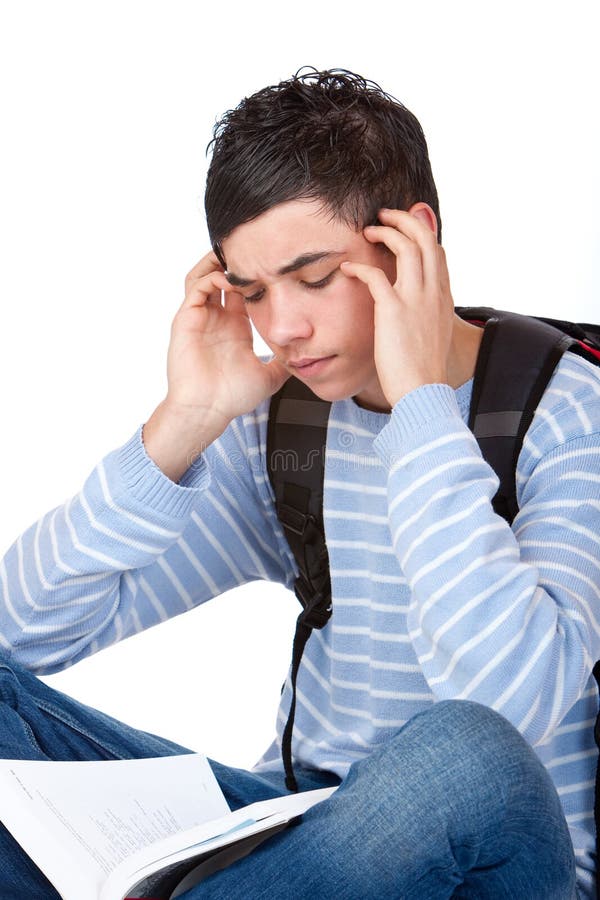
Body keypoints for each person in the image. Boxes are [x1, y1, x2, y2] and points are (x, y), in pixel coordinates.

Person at [0, 67, 597, 898]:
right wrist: (186, 419)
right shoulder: (290, 421)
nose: (282, 328)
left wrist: (423, 409)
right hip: (310, 843)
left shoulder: (569, 413)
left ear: (409, 242)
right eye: (253, 292)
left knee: (463, 750)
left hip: (496, 864)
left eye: (315, 278)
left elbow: (513, 702)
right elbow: (15, 634)